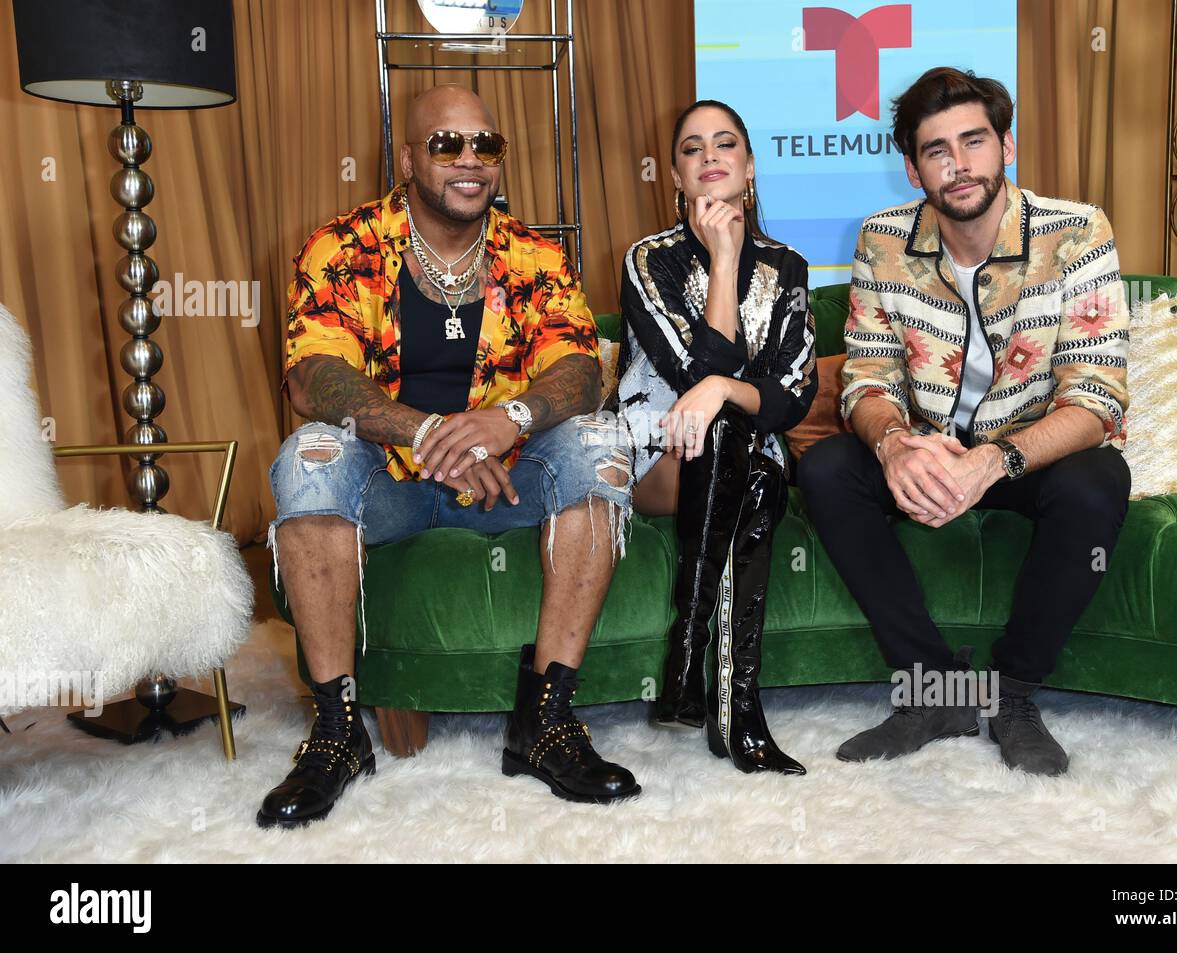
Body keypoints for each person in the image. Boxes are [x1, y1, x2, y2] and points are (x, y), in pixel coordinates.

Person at [259, 86, 640, 827]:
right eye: (446, 145)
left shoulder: (533, 255)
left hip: (506, 478)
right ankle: (337, 734)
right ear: (407, 158)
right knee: (309, 454)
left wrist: (511, 417)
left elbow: (582, 367)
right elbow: (314, 376)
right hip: (391, 481)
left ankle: (547, 722)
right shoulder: (344, 246)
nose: (470, 161)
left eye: (485, 145)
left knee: (601, 443)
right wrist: (428, 433)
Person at [799, 68, 1132, 776]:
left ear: (1006, 145)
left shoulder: (1077, 232)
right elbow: (866, 378)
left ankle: (1013, 693)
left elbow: (1098, 397)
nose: (958, 163)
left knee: (1100, 479)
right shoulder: (884, 240)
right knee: (828, 468)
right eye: (936, 149)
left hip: (1032, 454)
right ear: (913, 166)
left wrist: (994, 461)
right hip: (929, 450)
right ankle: (935, 692)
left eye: (974, 141)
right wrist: (893, 446)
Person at [610, 100, 818, 775]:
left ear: (750, 166)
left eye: (726, 144)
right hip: (657, 452)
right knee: (725, 423)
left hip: (748, 452)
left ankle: (715, 686)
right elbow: (693, 375)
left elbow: (793, 395)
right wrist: (725, 263)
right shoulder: (649, 261)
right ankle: (719, 689)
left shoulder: (788, 267)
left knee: (752, 464)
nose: (710, 157)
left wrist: (729, 391)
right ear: (675, 175)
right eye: (693, 149)